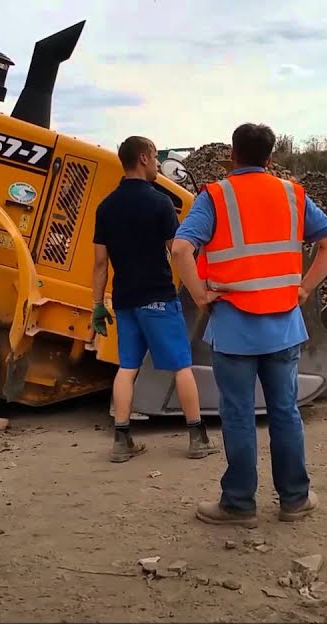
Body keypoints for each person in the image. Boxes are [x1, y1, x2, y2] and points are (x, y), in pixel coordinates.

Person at [170, 123, 327, 527]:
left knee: (238, 415)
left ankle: (238, 504)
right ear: (270, 158)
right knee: (285, 412)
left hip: (233, 328)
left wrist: (199, 295)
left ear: (232, 155)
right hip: (283, 325)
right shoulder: (292, 194)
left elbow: (181, 248)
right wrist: (304, 288)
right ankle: (294, 500)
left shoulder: (215, 196)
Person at [92, 135, 218, 463]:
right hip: (158, 298)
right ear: (145, 157)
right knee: (181, 367)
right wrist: (199, 289)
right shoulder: (160, 203)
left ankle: (121, 441)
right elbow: (177, 251)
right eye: (155, 157)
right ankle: (197, 437)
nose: (159, 165)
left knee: (127, 368)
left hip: (124, 300)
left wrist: (96, 304)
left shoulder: (106, 207)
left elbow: (100, 263)